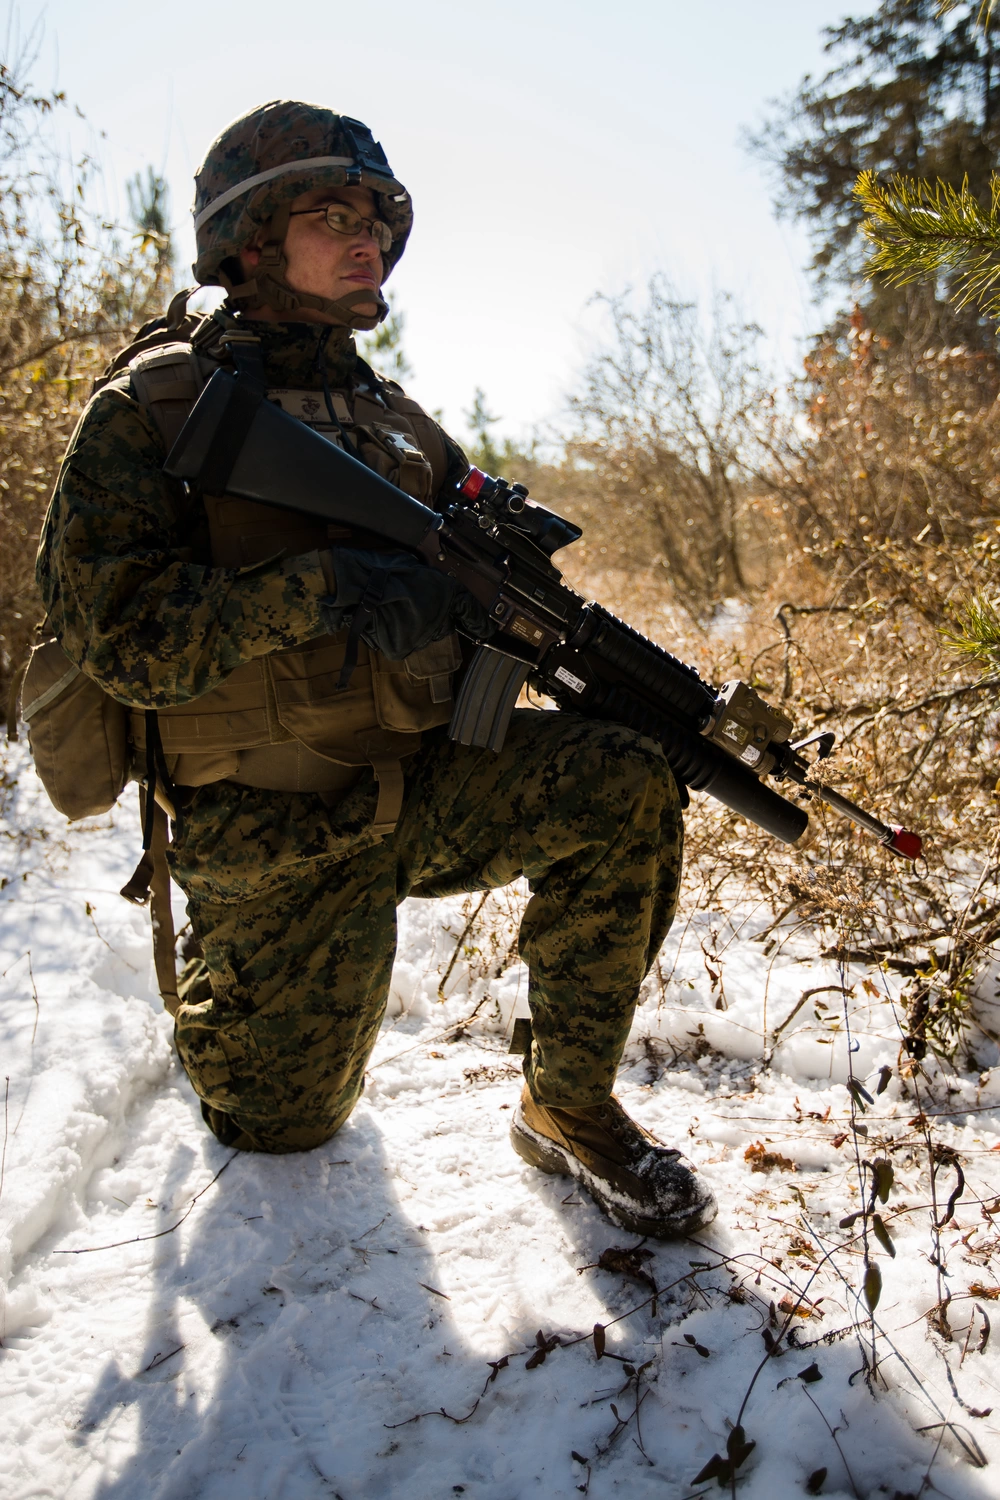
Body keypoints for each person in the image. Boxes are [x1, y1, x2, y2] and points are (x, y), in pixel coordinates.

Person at [36, 101, 717, 1239]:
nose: (369, 240)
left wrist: (513, 600)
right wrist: (335, 588)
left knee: (626, 778)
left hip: (425, 789)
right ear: (251, 241)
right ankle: (233, 991)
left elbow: (469, 589)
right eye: (331, 214)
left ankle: (568, 1104)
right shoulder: (150, 413)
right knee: (281, 1126)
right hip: (274, 832)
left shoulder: (396, 426)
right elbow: (125, 641)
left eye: (378, 220)